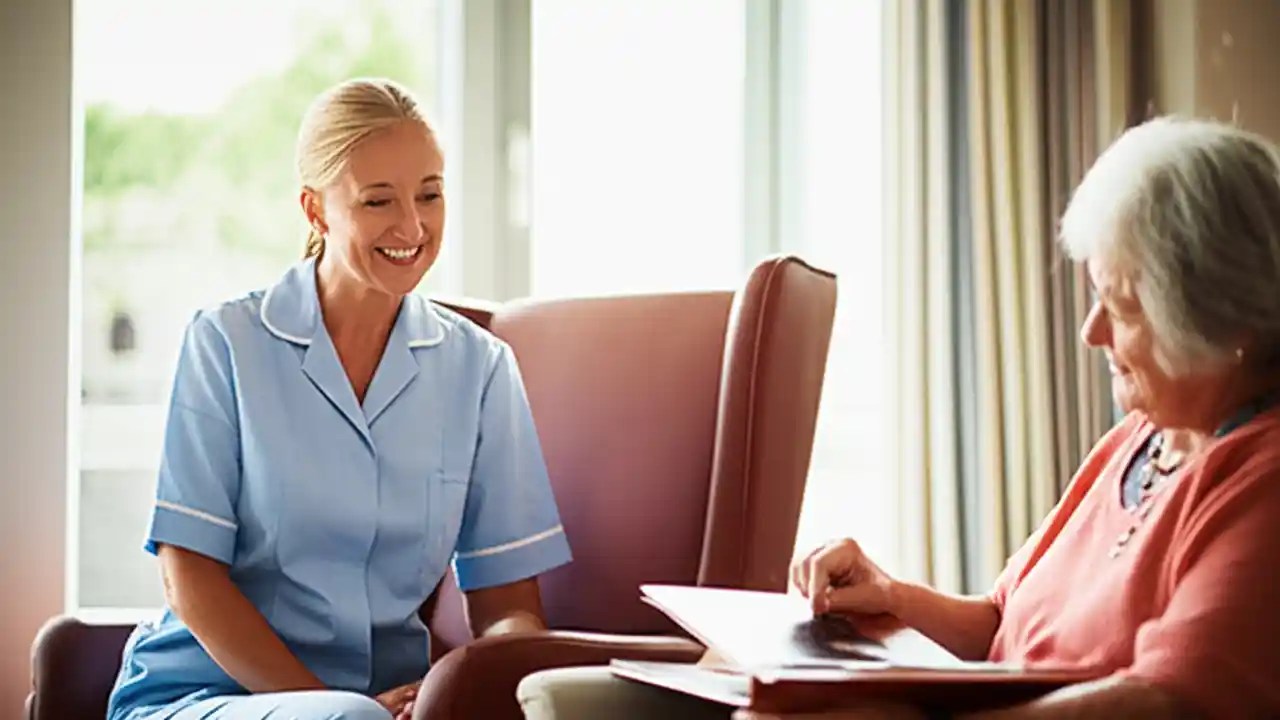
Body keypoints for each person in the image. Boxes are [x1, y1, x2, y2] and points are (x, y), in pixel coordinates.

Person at [518, 117, 1280, 720]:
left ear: (1220, 315)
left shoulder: (1263, 474)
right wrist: (893, 599)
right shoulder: (1138, 442)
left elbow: (1171, 701)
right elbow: (998, 624)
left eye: (1120, 306)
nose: (1091, 334)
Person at [106, 78, 572, 720]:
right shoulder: (226, 344)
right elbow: (189, 579)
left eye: (430, 195)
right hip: (204, 697)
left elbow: (507, 605)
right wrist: (335, 705)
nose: (412, 226)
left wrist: (474, 691)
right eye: (378, 201)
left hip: (388, 709)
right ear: (316, 211)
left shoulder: (481, 368)